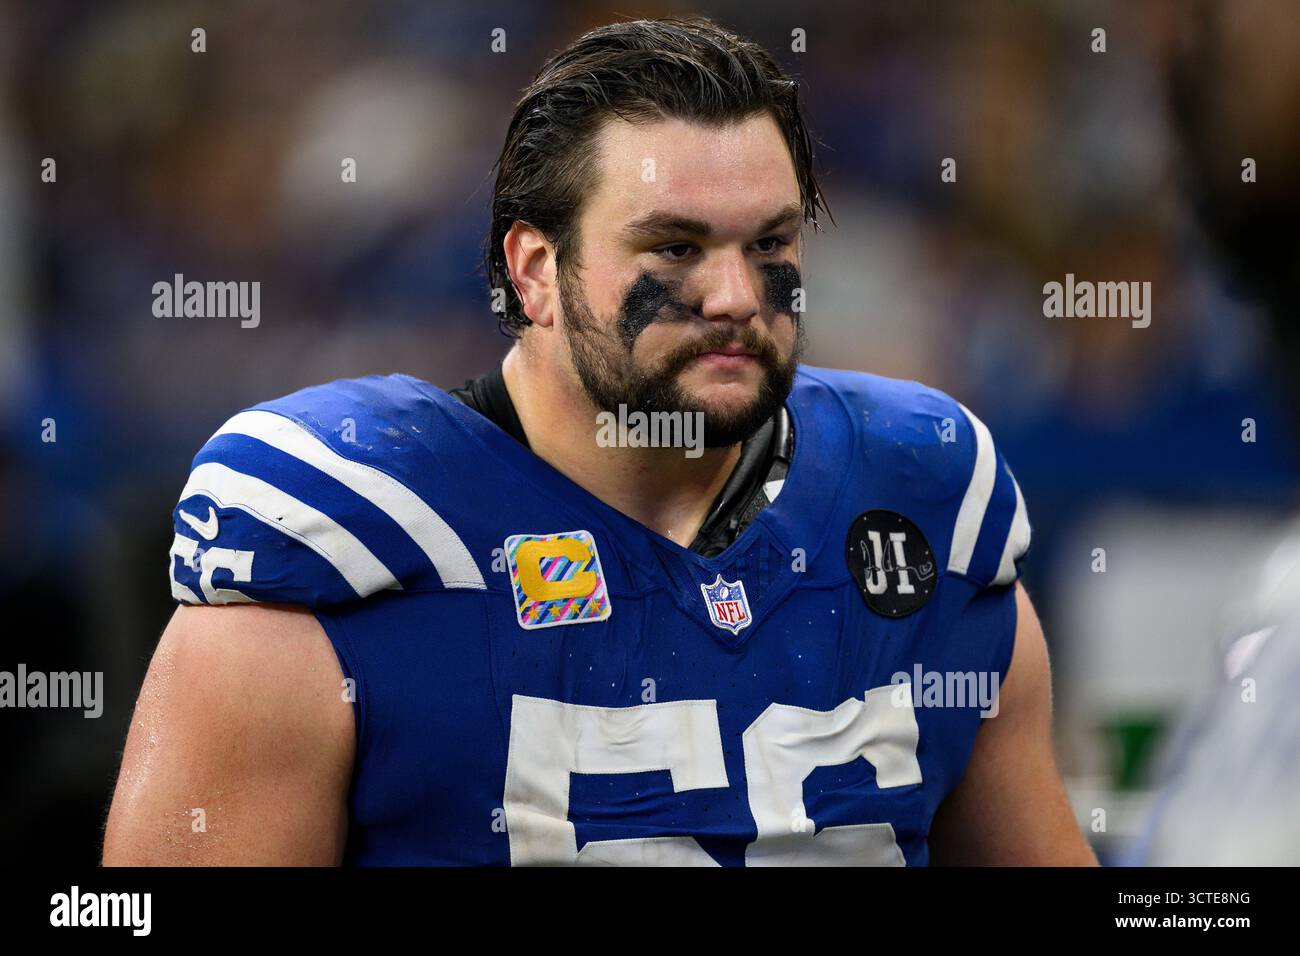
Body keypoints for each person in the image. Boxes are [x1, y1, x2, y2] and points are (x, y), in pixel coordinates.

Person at [103, 17, 1095, 866]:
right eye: (674, 247)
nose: (737, 296)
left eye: (770, 243)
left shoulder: (921, 501)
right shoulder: (340, 545)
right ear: (533, 271)